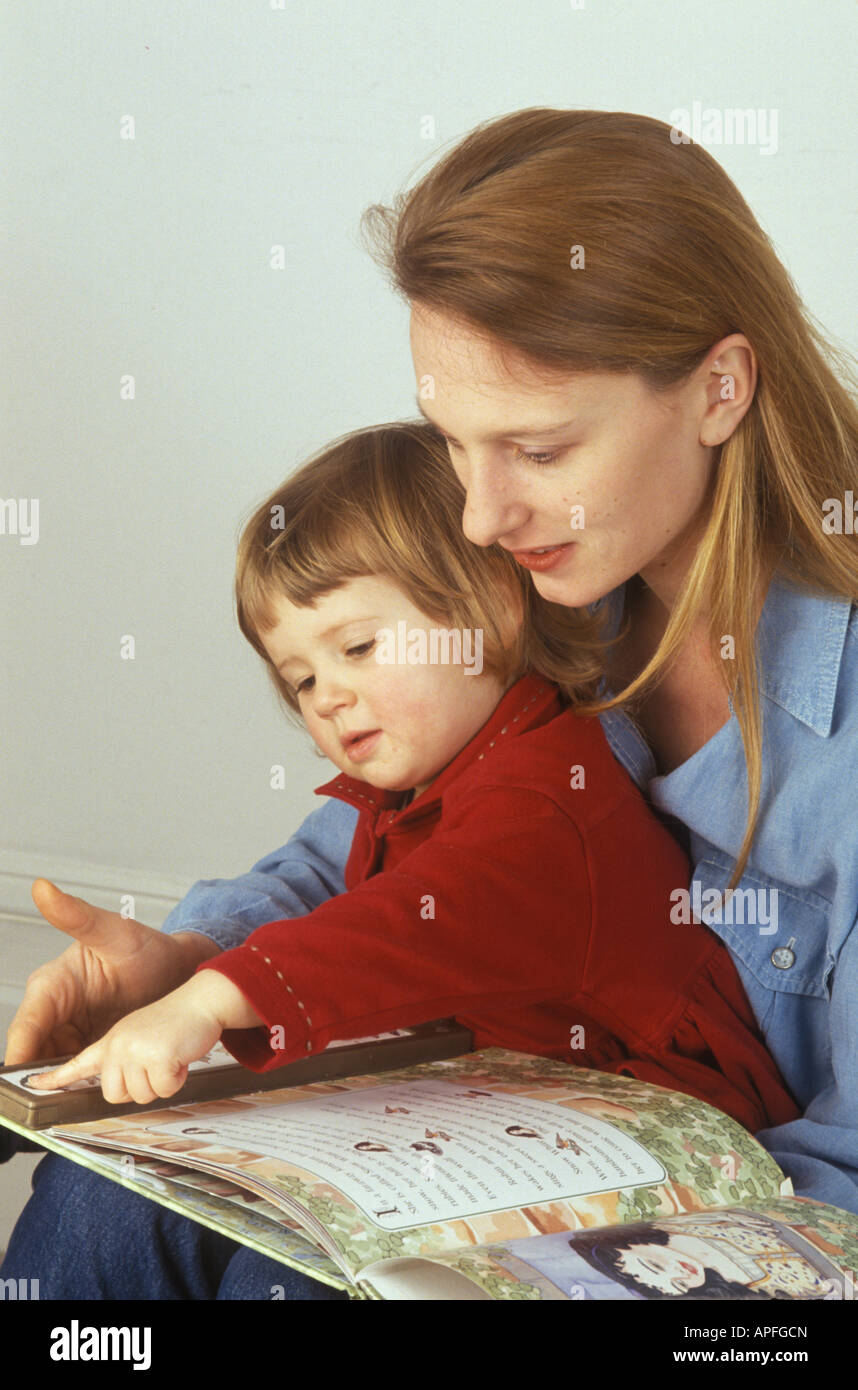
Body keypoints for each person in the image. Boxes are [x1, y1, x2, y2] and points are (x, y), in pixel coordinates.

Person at [3, 106, 856, 1299]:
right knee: (104, 1188)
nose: (476, 518)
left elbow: (838, 1193)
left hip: (729, 1237)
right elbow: (362, 846)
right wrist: (196, 953)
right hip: (490, 1124)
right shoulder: (531, 603)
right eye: (458, 447)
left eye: (541, 451)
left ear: (720, 389)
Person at [4, 422, 796, 1300]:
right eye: (301, 680)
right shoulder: (417, 785)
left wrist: (211, 997)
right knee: (102, 1192)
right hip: (480, 1115)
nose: (329, 696)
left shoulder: (553, 796)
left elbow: (410, 921)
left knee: (297, 1278)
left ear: (487, 614)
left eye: (358, 648)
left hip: (656, 1146)